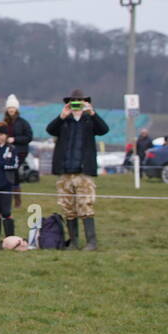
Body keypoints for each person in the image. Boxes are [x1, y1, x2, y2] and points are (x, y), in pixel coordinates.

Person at [45, 89, 109, 250]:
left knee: (85, 206)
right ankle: (73, 242)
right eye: (73, 101)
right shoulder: (64, 121)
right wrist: (62, 116)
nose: (76, 104)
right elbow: (50, 130)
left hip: (83, 171)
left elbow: (104, 130)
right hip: (65, 171)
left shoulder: (89, 120)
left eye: (79, 101)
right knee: (68, 208)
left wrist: (92, 113)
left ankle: (91, 242)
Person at [0, 95, 33, 203]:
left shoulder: (23, 123)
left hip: (20, 151)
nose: (11, 110)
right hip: (5, 151)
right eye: (9, 108)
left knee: (13, 172)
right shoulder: (3, 122)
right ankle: (5, 198)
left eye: (12, 108)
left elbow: (29, 137)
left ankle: (17, 199)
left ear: (16, 109)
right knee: (5, 173)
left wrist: (15, 139)